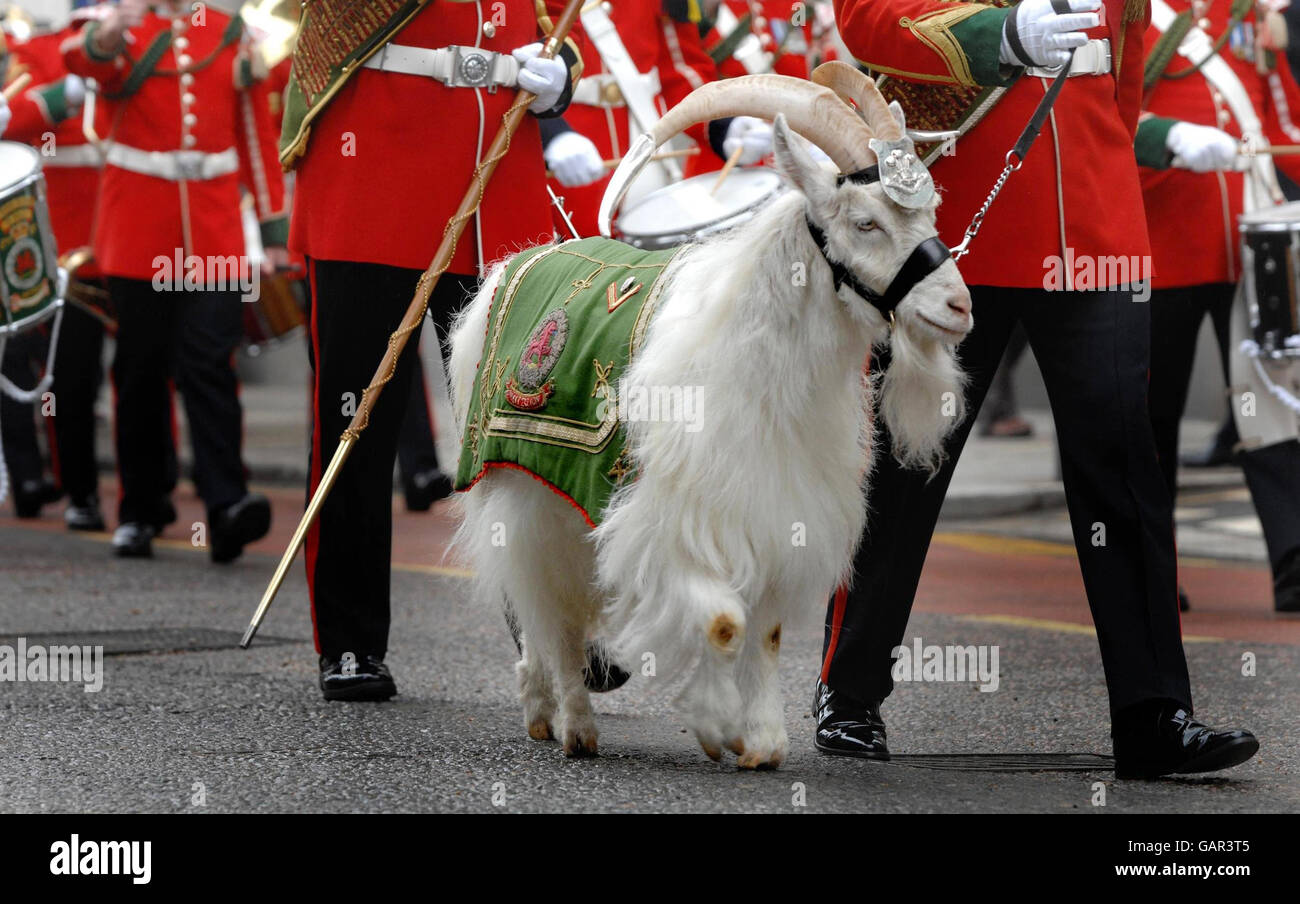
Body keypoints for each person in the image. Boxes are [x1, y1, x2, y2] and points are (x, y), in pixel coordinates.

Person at [814, 0, 1260, 779]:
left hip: (1093, 221)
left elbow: (1123, 70)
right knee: (907, 465)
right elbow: (866, 18)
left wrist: (1113, 180)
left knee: (1125, 473)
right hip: (958, 224)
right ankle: (848, 694)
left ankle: (1153, 714)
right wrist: (1000, 35)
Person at [280, 0, 582, 701]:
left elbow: (559, 31)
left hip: (494, 190)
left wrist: (557, 81)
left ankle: (555, 634)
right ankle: (351, 641)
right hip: (373, 185)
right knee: (359, 420)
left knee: (522, 422)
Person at [62, 0, 286, 560]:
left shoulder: (228, 30)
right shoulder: (122, 26)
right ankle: (142, 507)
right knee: (140, 369)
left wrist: (273, 226)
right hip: (138, 228)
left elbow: (255, 133)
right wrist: (112, 31)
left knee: (211, 362)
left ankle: (226, 505)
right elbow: (84, 65)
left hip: (213, 230)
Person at [1138, 0, 1300, 612]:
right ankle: (1152, 571)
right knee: (1153, 418)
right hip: (1159, 250)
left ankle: (1293, 560)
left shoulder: (1243, 14)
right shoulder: (1124, 14)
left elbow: (1281, 125)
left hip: (1249, 244)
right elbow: (1100, 122)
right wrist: (1170, 144)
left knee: (1276, 402)